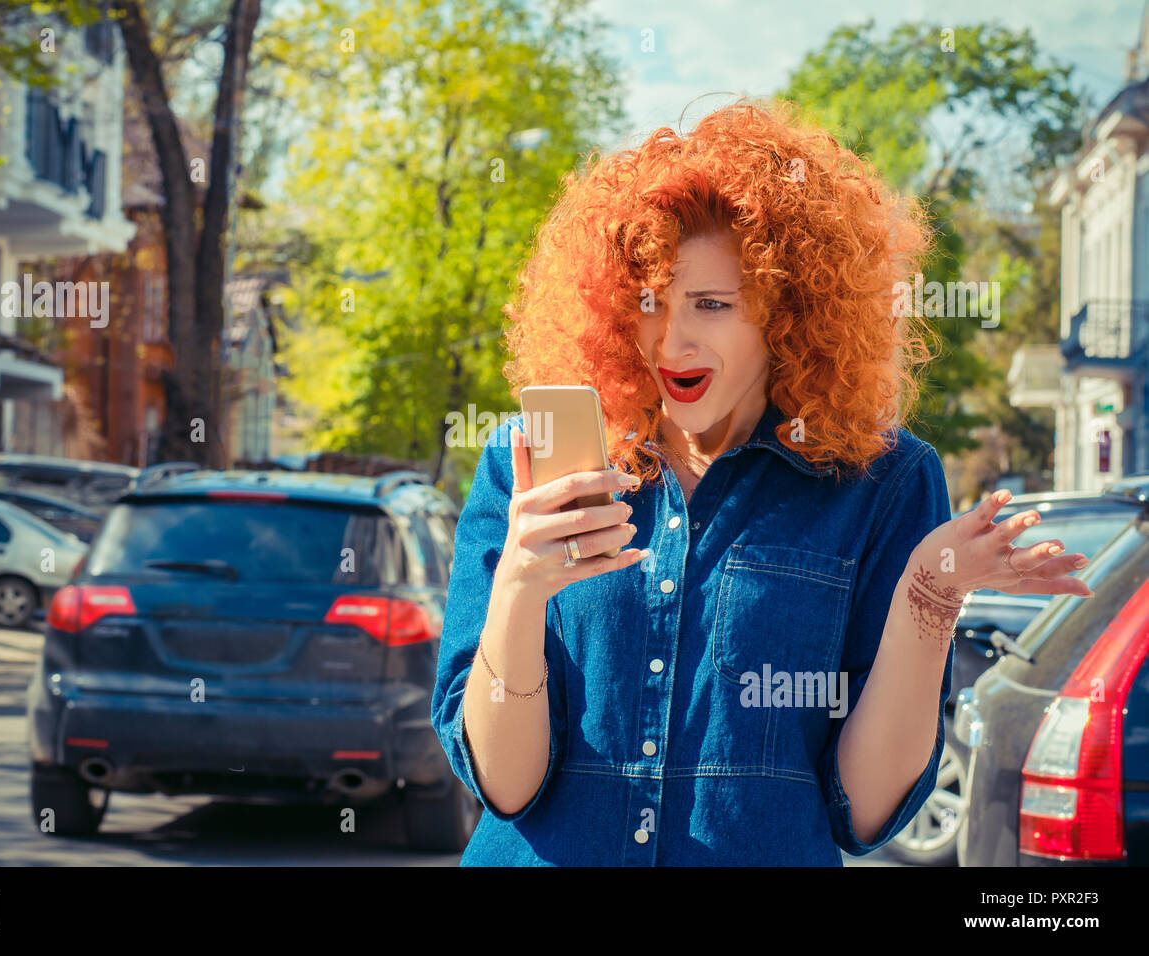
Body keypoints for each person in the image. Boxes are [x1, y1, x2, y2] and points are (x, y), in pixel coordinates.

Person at [429, 98, 1093, 865]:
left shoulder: (884, 482)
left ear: (786, 313)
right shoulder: (526, 461)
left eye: (711, 305)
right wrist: (517, 587)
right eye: (648, 305)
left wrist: (929, 598)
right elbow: (504, 788)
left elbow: (866, 812)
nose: (670, 340)